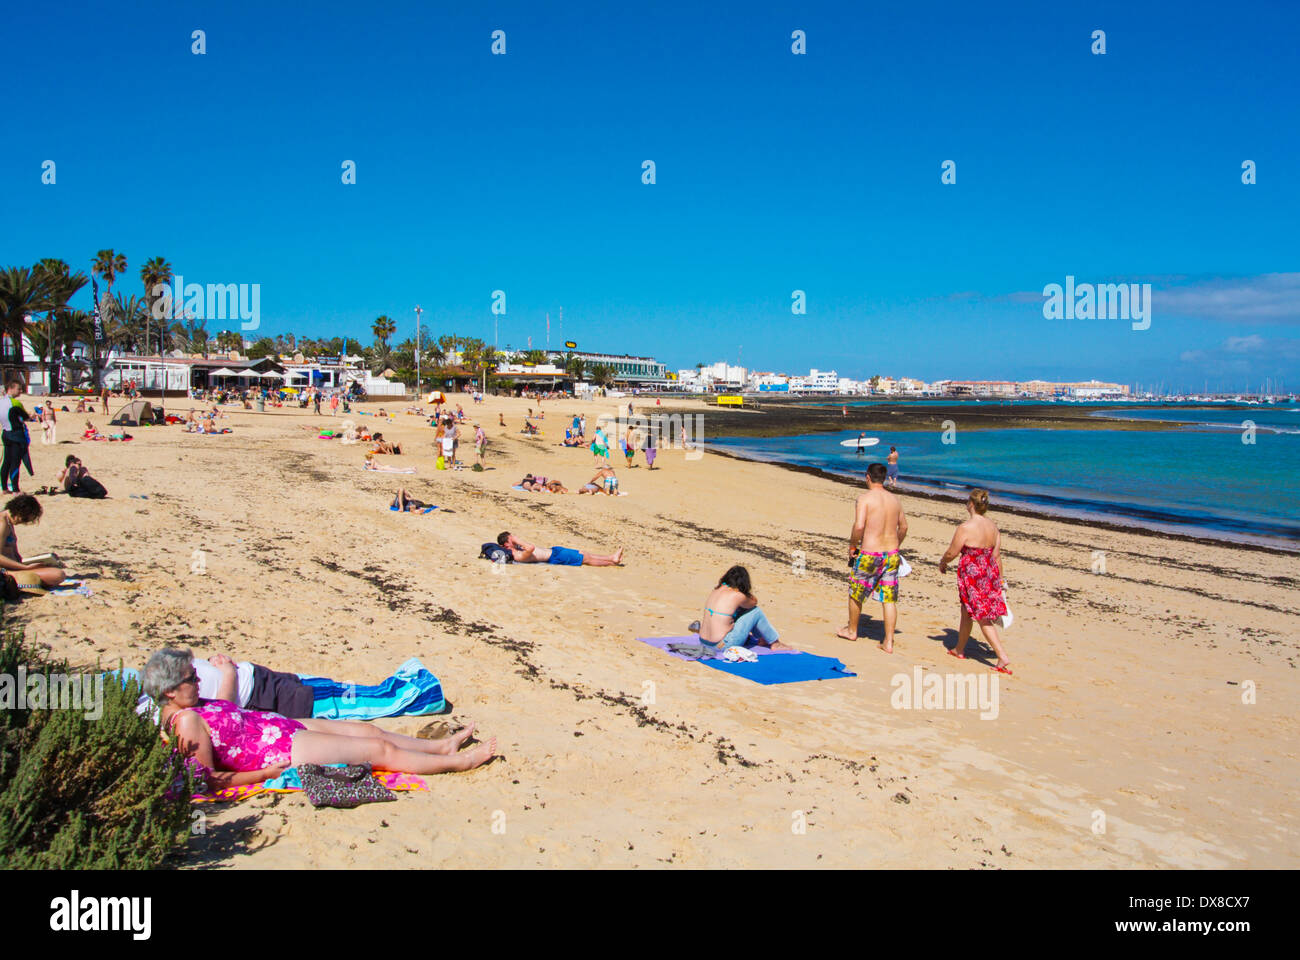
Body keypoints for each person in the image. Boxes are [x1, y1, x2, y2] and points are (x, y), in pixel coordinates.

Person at [144, 648, 495, 790]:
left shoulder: (194, 705)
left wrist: (226, 672)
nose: (197, 681)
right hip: (276, 750)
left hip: (276, 727)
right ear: (171, 691)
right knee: (378, 749)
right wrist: (265, 775)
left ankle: (440, 745)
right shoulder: (185, 723)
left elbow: (225, 710)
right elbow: (210, 780)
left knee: (367, 729)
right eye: (191, 678)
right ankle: (459, 763)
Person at [939, 488, 1011, 674]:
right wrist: (1000, 580)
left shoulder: (966, 528)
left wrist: (943, 562)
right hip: (988, 572)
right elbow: (996, 556)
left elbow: (952, 552)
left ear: (971, 504)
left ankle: (1002, 655)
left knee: (981, 616)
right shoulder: (992, 527)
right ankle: (959, 648)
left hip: (973, 575)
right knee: (967, 610)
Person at [838, 462, 908, 651]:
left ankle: (852, 630)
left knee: (856, 592)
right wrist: (896, 544)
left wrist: (853, 545)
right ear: (884, 478)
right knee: (889, 598)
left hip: (871, 552)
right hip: (891, 554)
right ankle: (889, 641)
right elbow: (904, 527)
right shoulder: (895, 500)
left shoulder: (865, 499)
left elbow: (859, 525)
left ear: (867, 477)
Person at [692, 565, 790, 652]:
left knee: (738, 610)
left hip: (704, 643)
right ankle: (775, 642)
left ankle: (763, 638)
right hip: (721, 646)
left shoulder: (716, 590)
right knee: (755, 611)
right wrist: (745, 592)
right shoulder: (738, 595)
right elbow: (753, 602)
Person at [0, 494, 66, 586]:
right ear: (19, 511)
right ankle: (13, 578)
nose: (23, 522)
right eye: (24, 519)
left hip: (12, 567)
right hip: (4, 571)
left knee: (53, 567)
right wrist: (25, 568)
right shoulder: (2, 522)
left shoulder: (8, 522)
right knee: (57, 575)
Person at [496, 532, 622, 566]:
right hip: (555, 557)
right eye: (511, 540)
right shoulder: (517, 555)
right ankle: (611, 562)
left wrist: (515, 542)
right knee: (586, 559)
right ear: (507, 543)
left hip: (555, 551)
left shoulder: (517, 549)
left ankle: (611, 558)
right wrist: (516, 539)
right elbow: (531, 548)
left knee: (583, 553)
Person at [2, 395, 33, 493]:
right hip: (16, 436)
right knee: (15, 463)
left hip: (6, 434)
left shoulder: (2, 404)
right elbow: (25, 417)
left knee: (6, 462)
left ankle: (4, 488)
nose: (20, 392)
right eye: (19, 389)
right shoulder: (15, 405)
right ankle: (15, 490)